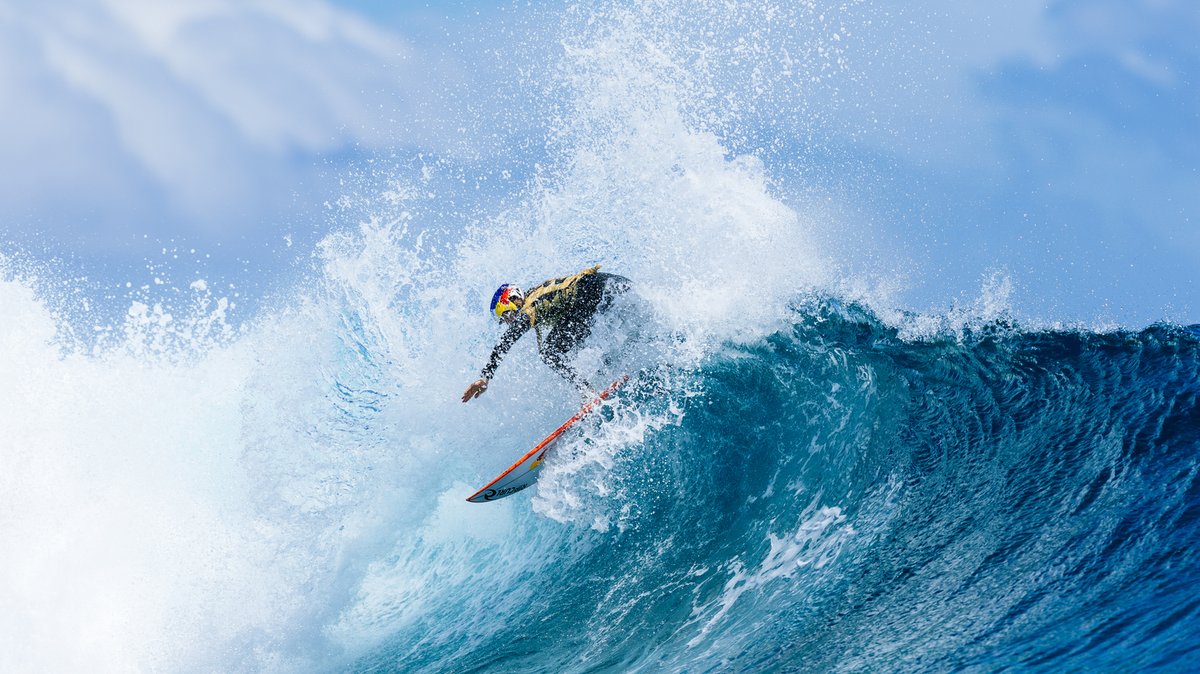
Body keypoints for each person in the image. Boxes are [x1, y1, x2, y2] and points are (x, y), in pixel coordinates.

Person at [462, 264, 631, 403]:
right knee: (572, 344)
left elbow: (506, 341)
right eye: (505, 319)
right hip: (611, 285)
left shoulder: (529, 307)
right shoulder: (538, 296)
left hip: (592, 290)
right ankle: (614, 371)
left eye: (507, 314)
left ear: (513, 299)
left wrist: (485, 377)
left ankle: (588, 392)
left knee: (549, 353)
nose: (510, 321)